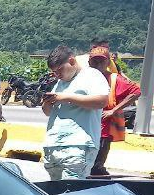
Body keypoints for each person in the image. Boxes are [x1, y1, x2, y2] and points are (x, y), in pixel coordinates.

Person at [41, 45, 110, 180]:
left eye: (60, 70)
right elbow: (48, 112)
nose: (58, 75)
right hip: (53, 145)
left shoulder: (91, 75)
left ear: (72, 61)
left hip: (78, 145)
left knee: (71, 193)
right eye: (54, 72)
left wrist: (65, 97)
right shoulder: (60, 83)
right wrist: (47, 102)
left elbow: (102, 101)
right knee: (56, 194)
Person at [88, 46, 140, 176]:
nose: (98, 64)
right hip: (85, 128)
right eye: (95, 61)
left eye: (102, 61)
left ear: (108, 62)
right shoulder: (83, 77)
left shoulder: (114, 79)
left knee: (96, 164)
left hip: (103, 129)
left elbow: (136, 92)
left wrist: (113, 110)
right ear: (89, 62)